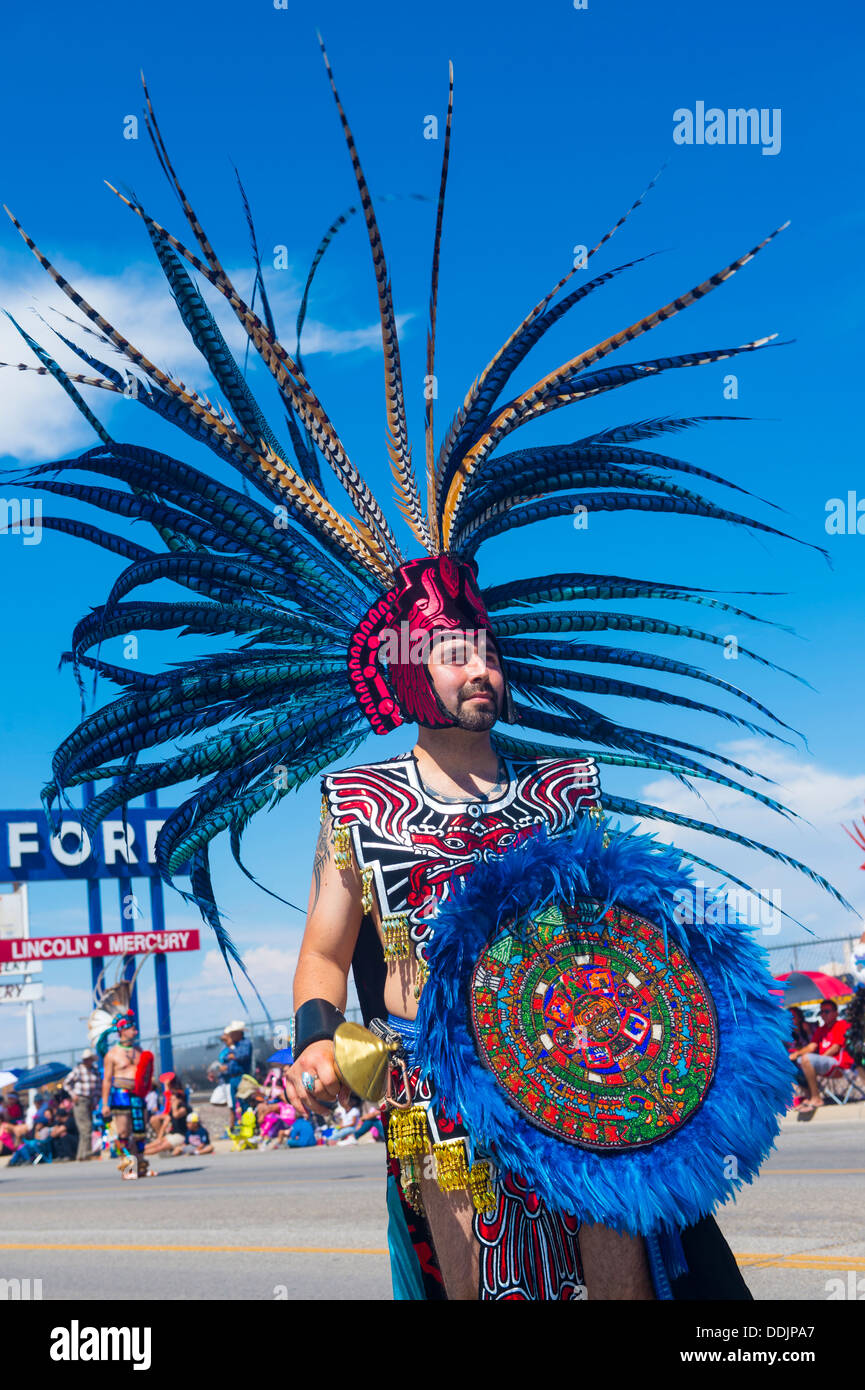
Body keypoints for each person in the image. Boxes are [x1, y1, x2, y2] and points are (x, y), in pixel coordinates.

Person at [16, 44, 840, 1299]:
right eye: (455, 649)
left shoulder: (565, 789)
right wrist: (311, 1040)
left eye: (487, 644)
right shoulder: (360, 812)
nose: (482, 664)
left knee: (629, 1289)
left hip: (589, 1087)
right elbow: (318, 957)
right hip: (435, 1105)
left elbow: (629, 949)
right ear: (404, 672)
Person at [100, 1012, 154, 1179]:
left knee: (140, 1133)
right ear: (122, 1030)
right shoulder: (112, 1054)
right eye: (132, 1028)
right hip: (120, 1095)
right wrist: (105, 1104)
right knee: (123, 1132)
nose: (135, 1032)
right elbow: (107, 1080)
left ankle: (142, 1167)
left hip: (137, 1095)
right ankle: (128, 1169)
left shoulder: (139, 1051)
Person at [793, 1000, 855, 1111]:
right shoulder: (821, 1029)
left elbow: (835, 1048)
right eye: (821, 1012)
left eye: (826, 1011)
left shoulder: (841, 1025)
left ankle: (816, 1098)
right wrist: (796, 1054)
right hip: (825, 1063)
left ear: (836, 1013)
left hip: (838, 1064)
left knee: (806, 1059)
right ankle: (808, 1096)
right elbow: (812, 1046)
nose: (823, 1015)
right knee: (795, 1063)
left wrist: (818, 1059)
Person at [64, 1048, 100, 1161]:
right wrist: (73, 1095)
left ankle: (81, 1154)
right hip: (80, 1100)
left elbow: (98, 1087)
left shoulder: (95, 1070)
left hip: (90, 1101)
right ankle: (86, 1153)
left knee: (86, 1128)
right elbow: (66, 1083)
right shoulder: (78, 1070)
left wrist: (95, 1101)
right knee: (86, 1127)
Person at [215, 1023, 252, 1113]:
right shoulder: (234, 1044)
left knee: (243, 1101)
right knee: (235, 1102)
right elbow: (226, 1056)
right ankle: (238, 1122)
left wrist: (233, 1055)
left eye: (233, 1033)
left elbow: (243, 1056)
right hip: (233, 1077)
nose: (231, 1035)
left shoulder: (245, 1043)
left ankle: (246, 1119)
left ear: (239, 1033)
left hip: (241, 1076)